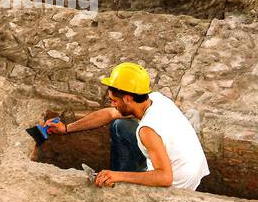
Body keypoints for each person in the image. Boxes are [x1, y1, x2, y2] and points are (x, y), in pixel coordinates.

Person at [44, 62, 208, 190]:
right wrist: (66, 129)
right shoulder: (155, 99)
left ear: (128, 98)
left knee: (122, 140)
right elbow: (109, 114)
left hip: (177, 183)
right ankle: (119, 175)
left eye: (114, 100)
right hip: (189, 166)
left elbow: (165, 178)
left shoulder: (147, 131)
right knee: (119, 126)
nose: (112, 104)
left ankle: (118, 186)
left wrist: (118, 176)